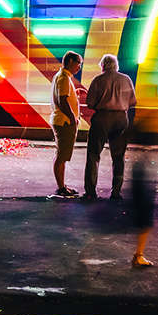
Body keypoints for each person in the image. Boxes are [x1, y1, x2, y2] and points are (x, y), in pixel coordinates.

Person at [82, 53, 136, 202]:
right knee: (118, 157)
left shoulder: (98, 80)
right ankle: (116, 191)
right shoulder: (126, 79)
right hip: (121, 119)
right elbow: (133, 101)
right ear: (116, 65)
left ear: (102, 66)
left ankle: (91, 191)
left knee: (93, 155)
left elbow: (90, 103)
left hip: (102, 118)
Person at [50, 51, 83, 196]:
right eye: (78, 63)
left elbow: (64, 96)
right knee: (62, 155)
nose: (79, 67)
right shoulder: (63, 78)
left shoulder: (62, 77)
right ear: (70, 61)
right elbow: (62, 100)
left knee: (62, 155)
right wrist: (72, 119)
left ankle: (62, 185)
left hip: (62, 120)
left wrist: (75, 93)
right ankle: (61, 187)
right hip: (64, 122)